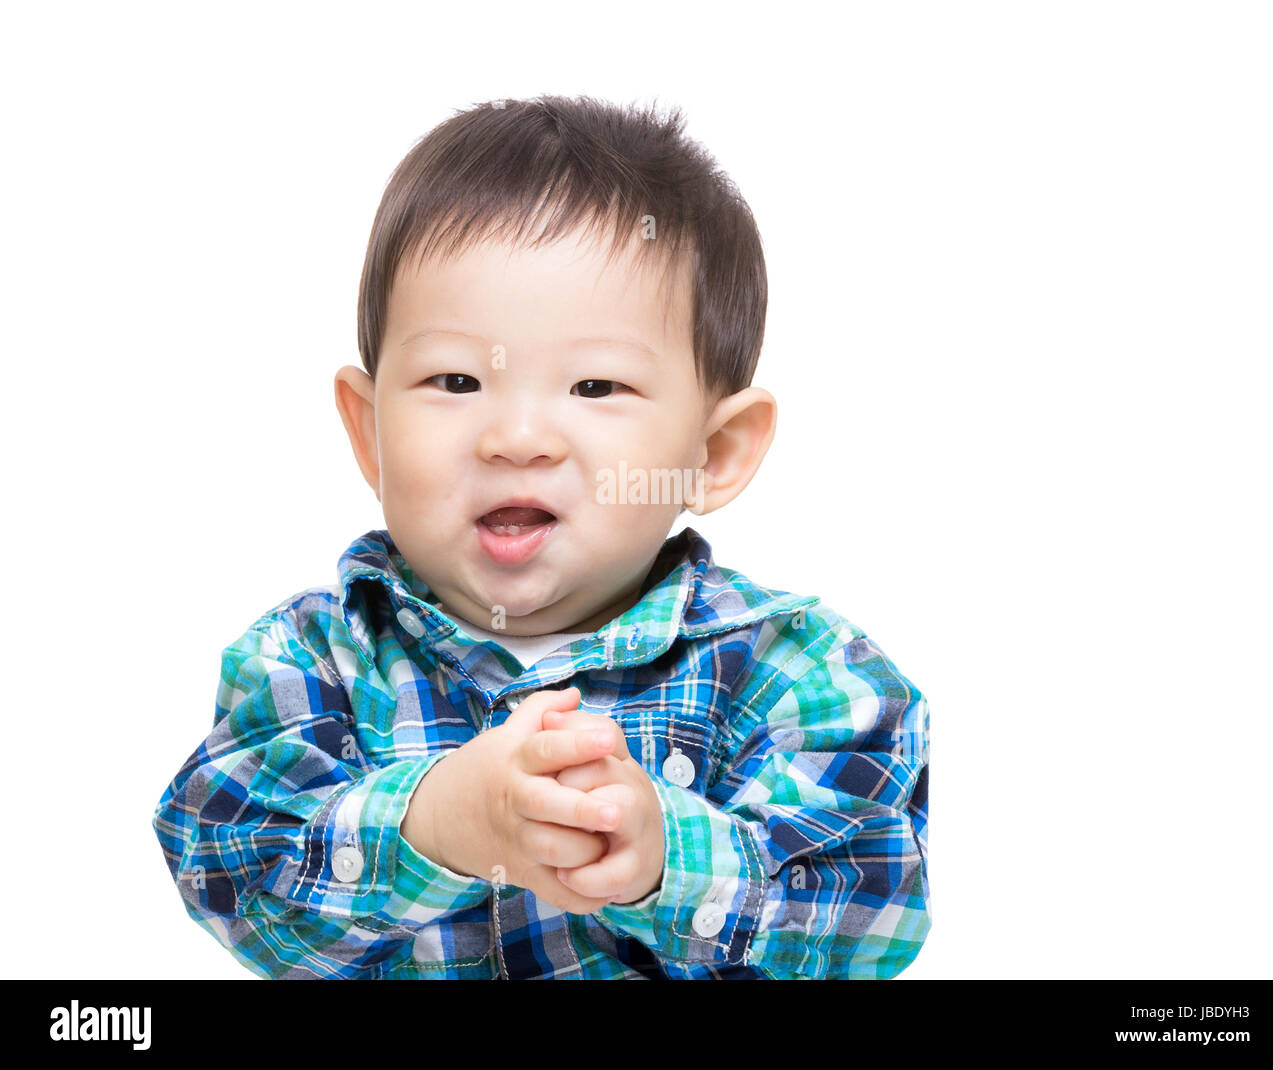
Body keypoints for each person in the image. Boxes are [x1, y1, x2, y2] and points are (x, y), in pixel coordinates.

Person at [151, 95, 931, 979]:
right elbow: (223, 864)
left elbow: (873, 910)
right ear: (368, 431)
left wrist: (667, 859)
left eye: (595, 387)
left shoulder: (802, 671)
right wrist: (433, 824)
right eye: (454, 378)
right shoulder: (310, 659)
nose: (517, 437)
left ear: (712, 453)